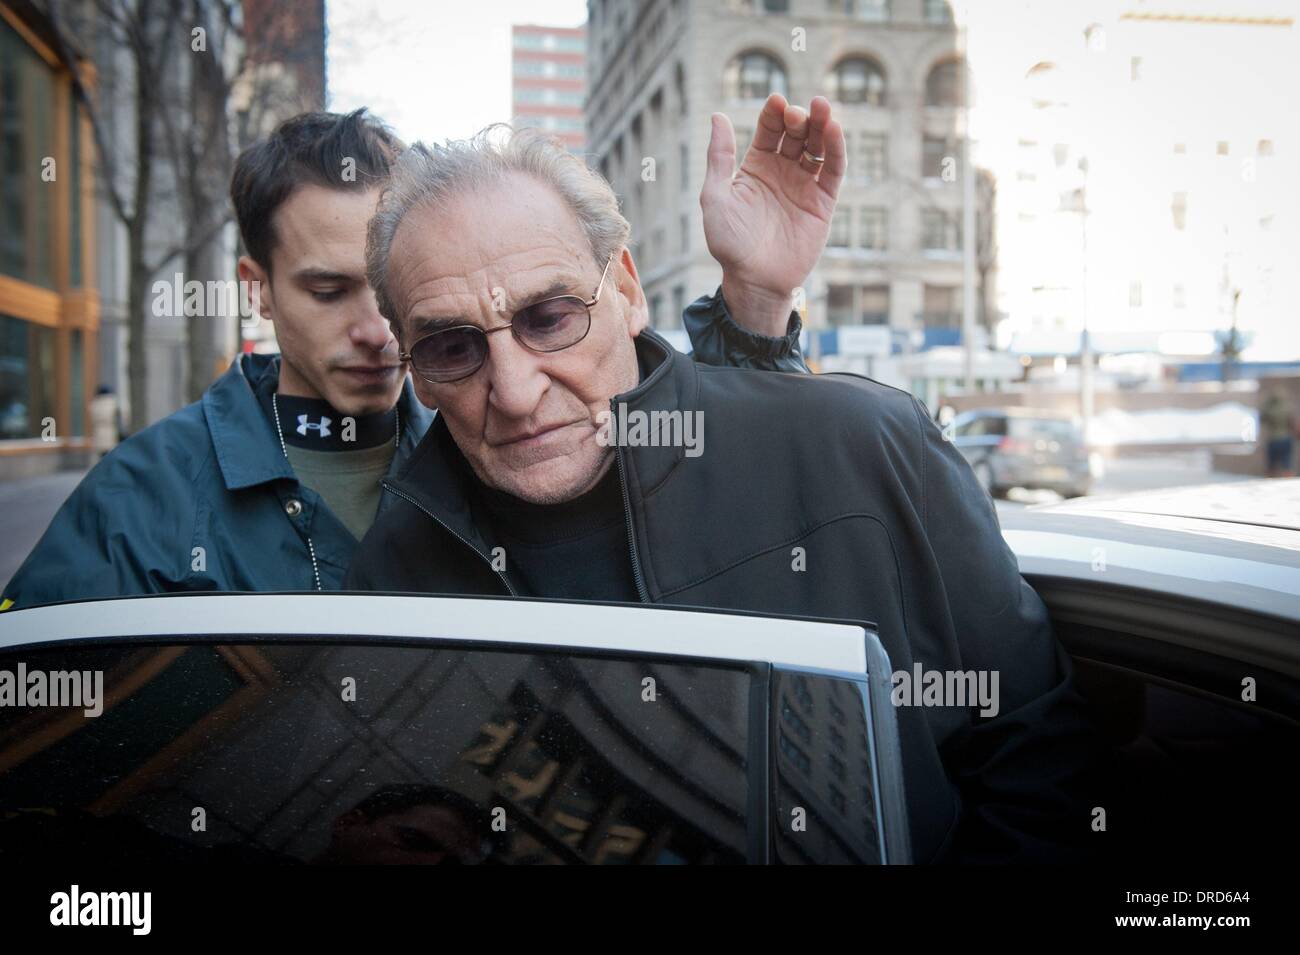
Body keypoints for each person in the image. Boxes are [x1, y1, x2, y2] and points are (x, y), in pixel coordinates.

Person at [343, 115, 1101, 863]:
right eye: (450, 347)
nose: (512, 390)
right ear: (413, 366)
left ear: (628, 292)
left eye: (550, 317)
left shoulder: (864, 446)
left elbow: (1037, 754)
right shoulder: (395, 569)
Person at [1, 98, 823, 610]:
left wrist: (754, 314)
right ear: (256, 289)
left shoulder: (508, 438)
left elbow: (695, 506)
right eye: (329, 291)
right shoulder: (141, 499)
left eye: (396, 300)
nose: (379, 331)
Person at [1260, 390, 1296, 477]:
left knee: (1272, 466)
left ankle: (1270, 482)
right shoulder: (1286, 408)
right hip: (1285, 438)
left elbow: (1262, 418)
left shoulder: (1270, 409)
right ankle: (1288, 482)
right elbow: (1292, 423)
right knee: (1287, 464)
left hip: (1273, 439)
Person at [88, 385, 121, 460]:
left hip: (98, 432)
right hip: (111, 431)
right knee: (110, 454)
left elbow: (92, 417)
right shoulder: (113, 402)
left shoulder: (94, 404)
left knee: (101, 456)